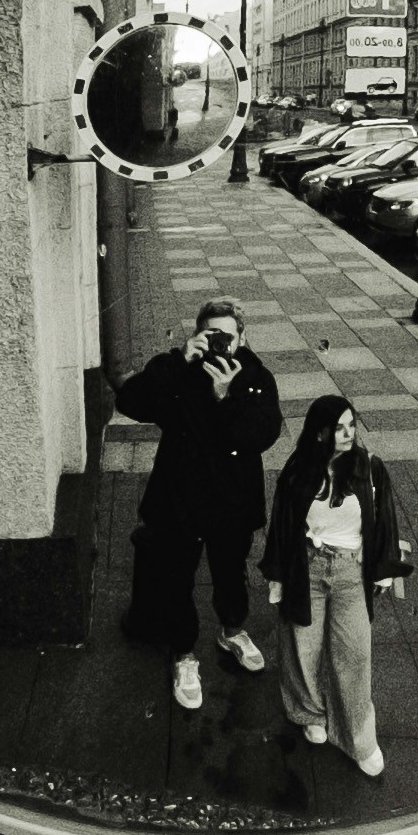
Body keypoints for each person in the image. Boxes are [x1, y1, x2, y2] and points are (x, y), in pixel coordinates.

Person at [116, 294, 283, 711]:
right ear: (197, 335)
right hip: (181, 497)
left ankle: (232, 630)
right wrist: (179, 360)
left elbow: (261, 435)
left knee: (231, 572)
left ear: (242, 337)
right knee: (177, 578)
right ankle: (184, 653)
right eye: (211, 335)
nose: (220, 344)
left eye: (228, 336)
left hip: (232, 500)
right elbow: (129, 401)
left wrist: (226, 397)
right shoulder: (180, 372)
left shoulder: (256, 377)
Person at [259, 392, 410, 776]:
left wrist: (383, 569)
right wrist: (277, 575)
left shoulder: (369, 468)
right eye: (338, 428)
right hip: (306, 567)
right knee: (302, 645)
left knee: (354, 654)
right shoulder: (299, 469)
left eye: (351, 425)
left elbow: (385, 520)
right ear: (319, 433)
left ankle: (359, 739)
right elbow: (282, 523)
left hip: (350, 572)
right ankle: (308, 711)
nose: (348, 434)